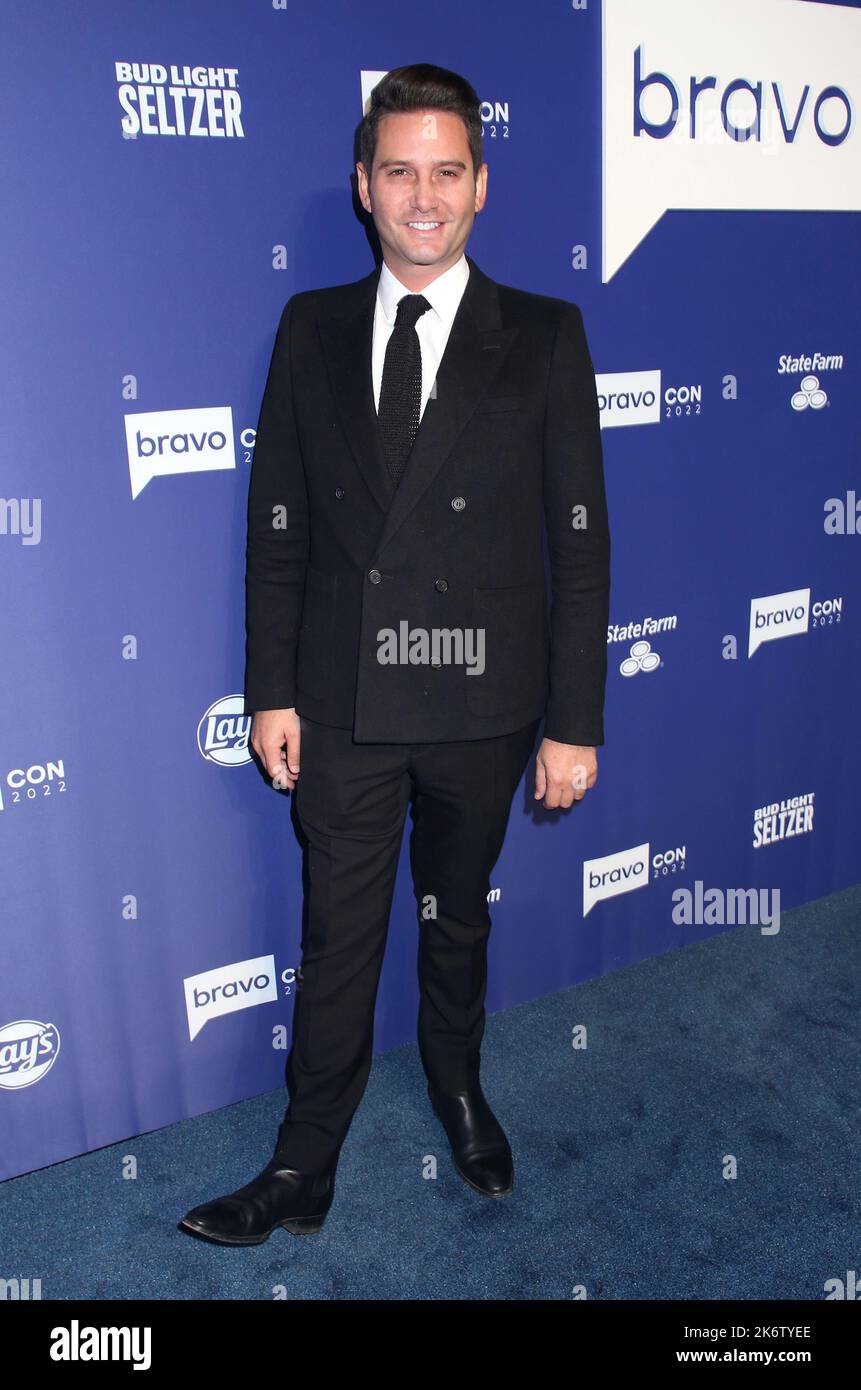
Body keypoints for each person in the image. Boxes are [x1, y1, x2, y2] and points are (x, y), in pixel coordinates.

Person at [180, 62, 610, 1245]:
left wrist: (574, 718)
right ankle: (302, 1161)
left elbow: (581, 545)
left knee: (457, 917)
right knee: (339, 937)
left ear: (482, 187)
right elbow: (278, 528)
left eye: (448, 172)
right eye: (400, 171)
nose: (424, 195)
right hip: (342, 705)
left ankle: (460, 1090)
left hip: (484, 701)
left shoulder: (545, 335)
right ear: (364, 185)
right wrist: (271, 688)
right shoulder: (308, 326)